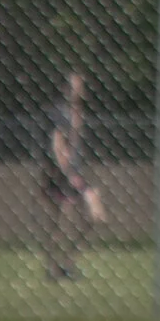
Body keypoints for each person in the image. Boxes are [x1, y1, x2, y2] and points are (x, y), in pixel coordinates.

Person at [42, 72, 105, 282]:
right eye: (73, 86)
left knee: (95, 216)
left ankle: (67, 262)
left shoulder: (79, 113)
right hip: (62, 175)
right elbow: (57, 144)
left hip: (77, 173)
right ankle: (54, 268)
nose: (77, 90)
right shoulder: (59, 112)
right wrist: (65, 172)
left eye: (79, 86)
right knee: (60, 224)